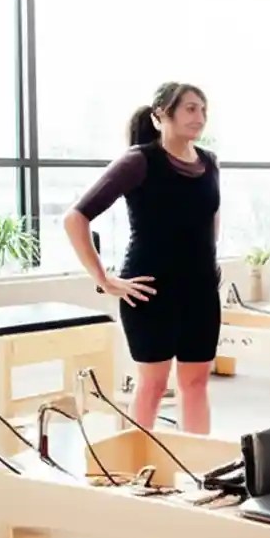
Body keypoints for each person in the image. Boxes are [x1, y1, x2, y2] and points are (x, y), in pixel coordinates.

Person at [64, 82, 220, 434]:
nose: (199, 116)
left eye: (203, 109)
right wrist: (103, 279)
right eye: (190, 108)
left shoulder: (210, 163)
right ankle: (137, 461)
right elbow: (76, 218)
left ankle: (198, 462)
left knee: (196, 383)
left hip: (200, 292)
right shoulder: (139, 161)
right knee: (153, 384)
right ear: (161, 115)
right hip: (150, 291)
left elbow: (209, 220)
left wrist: (208, 267)